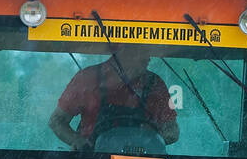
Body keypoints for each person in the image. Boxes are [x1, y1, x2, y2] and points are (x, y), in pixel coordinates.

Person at [48, 44, 180, 153]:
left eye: (147, 53)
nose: (149, 59)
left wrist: (150, 140)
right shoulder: (88, 79)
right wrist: (78, 142)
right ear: (121, 52)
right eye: (142, 53)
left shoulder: (155, 84)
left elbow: (172, 131)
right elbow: (57, 121)